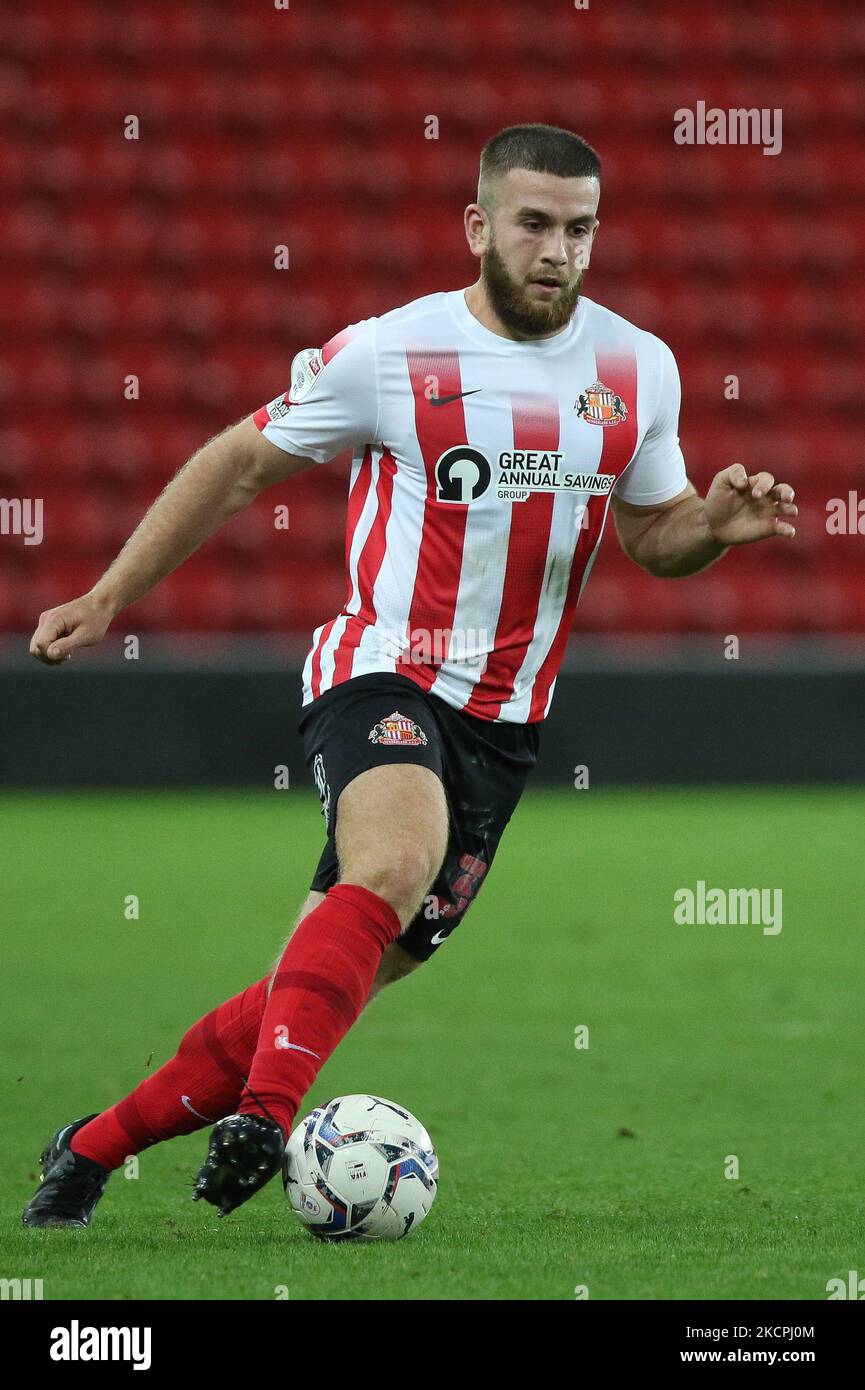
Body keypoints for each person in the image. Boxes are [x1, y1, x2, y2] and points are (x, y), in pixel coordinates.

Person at [23, 123, 796, 1227]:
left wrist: (712, 525)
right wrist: (109, 593)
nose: (557, 251)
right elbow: (242, 464)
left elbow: (654, 538)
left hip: (504, 728)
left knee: (310, 985)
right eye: (534, 223)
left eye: (579, 229)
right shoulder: (394, 354)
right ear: (479, 225)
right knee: (389, 863)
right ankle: (268, 1117)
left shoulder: (637, 368)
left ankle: (88, 1149)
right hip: (381, 674)